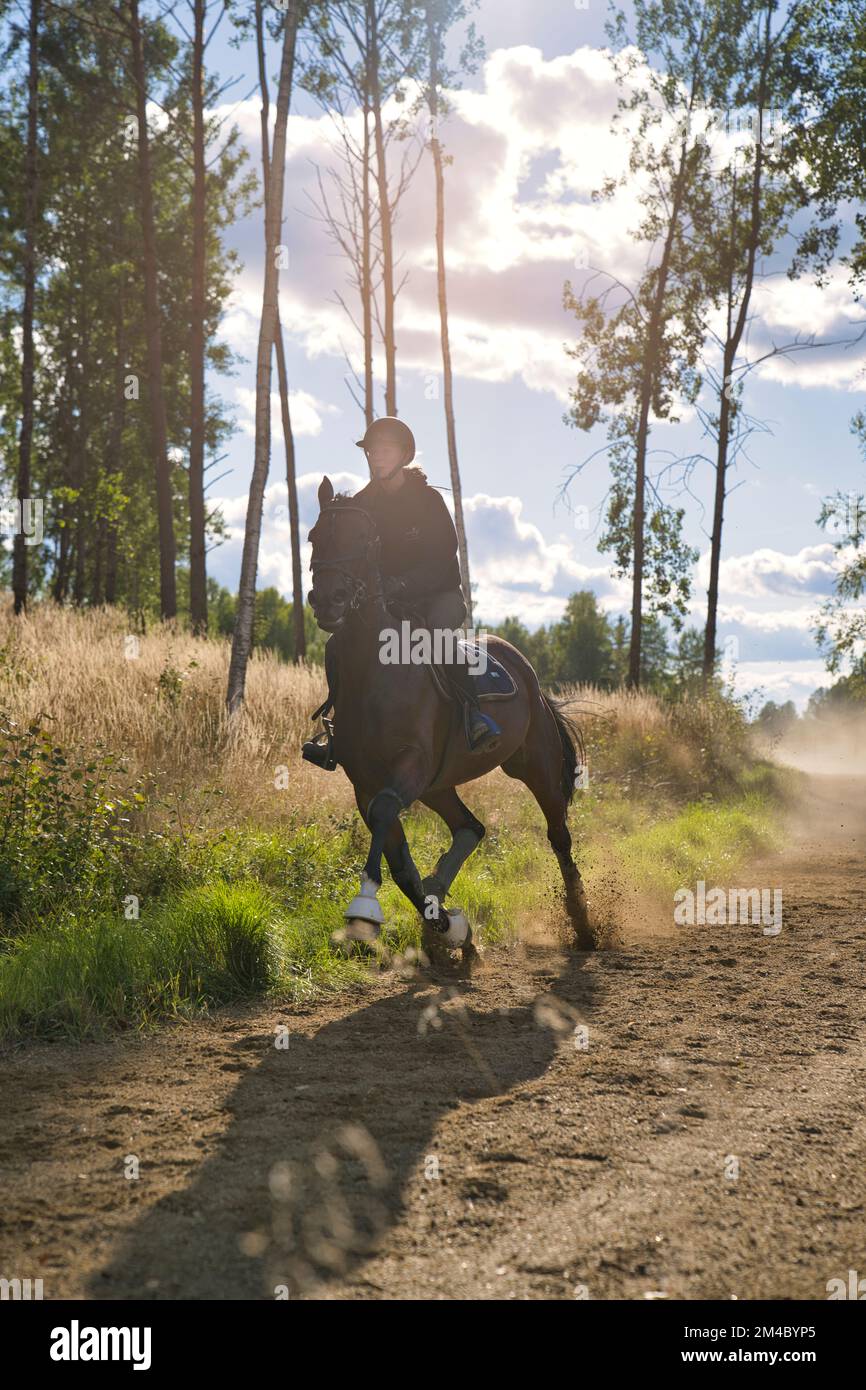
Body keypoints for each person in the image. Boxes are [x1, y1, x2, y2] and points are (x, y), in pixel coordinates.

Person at [302, 417, 501, 769]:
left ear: (404, 455)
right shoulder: (362, 503)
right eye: (372, 451)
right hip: (387, 602)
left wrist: (404, 583)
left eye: (385, 450)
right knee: (337, 646)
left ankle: (474, 718)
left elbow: (443, 555)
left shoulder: (427, 500)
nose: (377, 457)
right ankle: (339, 732)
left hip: (439, 596)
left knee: (437, 638)